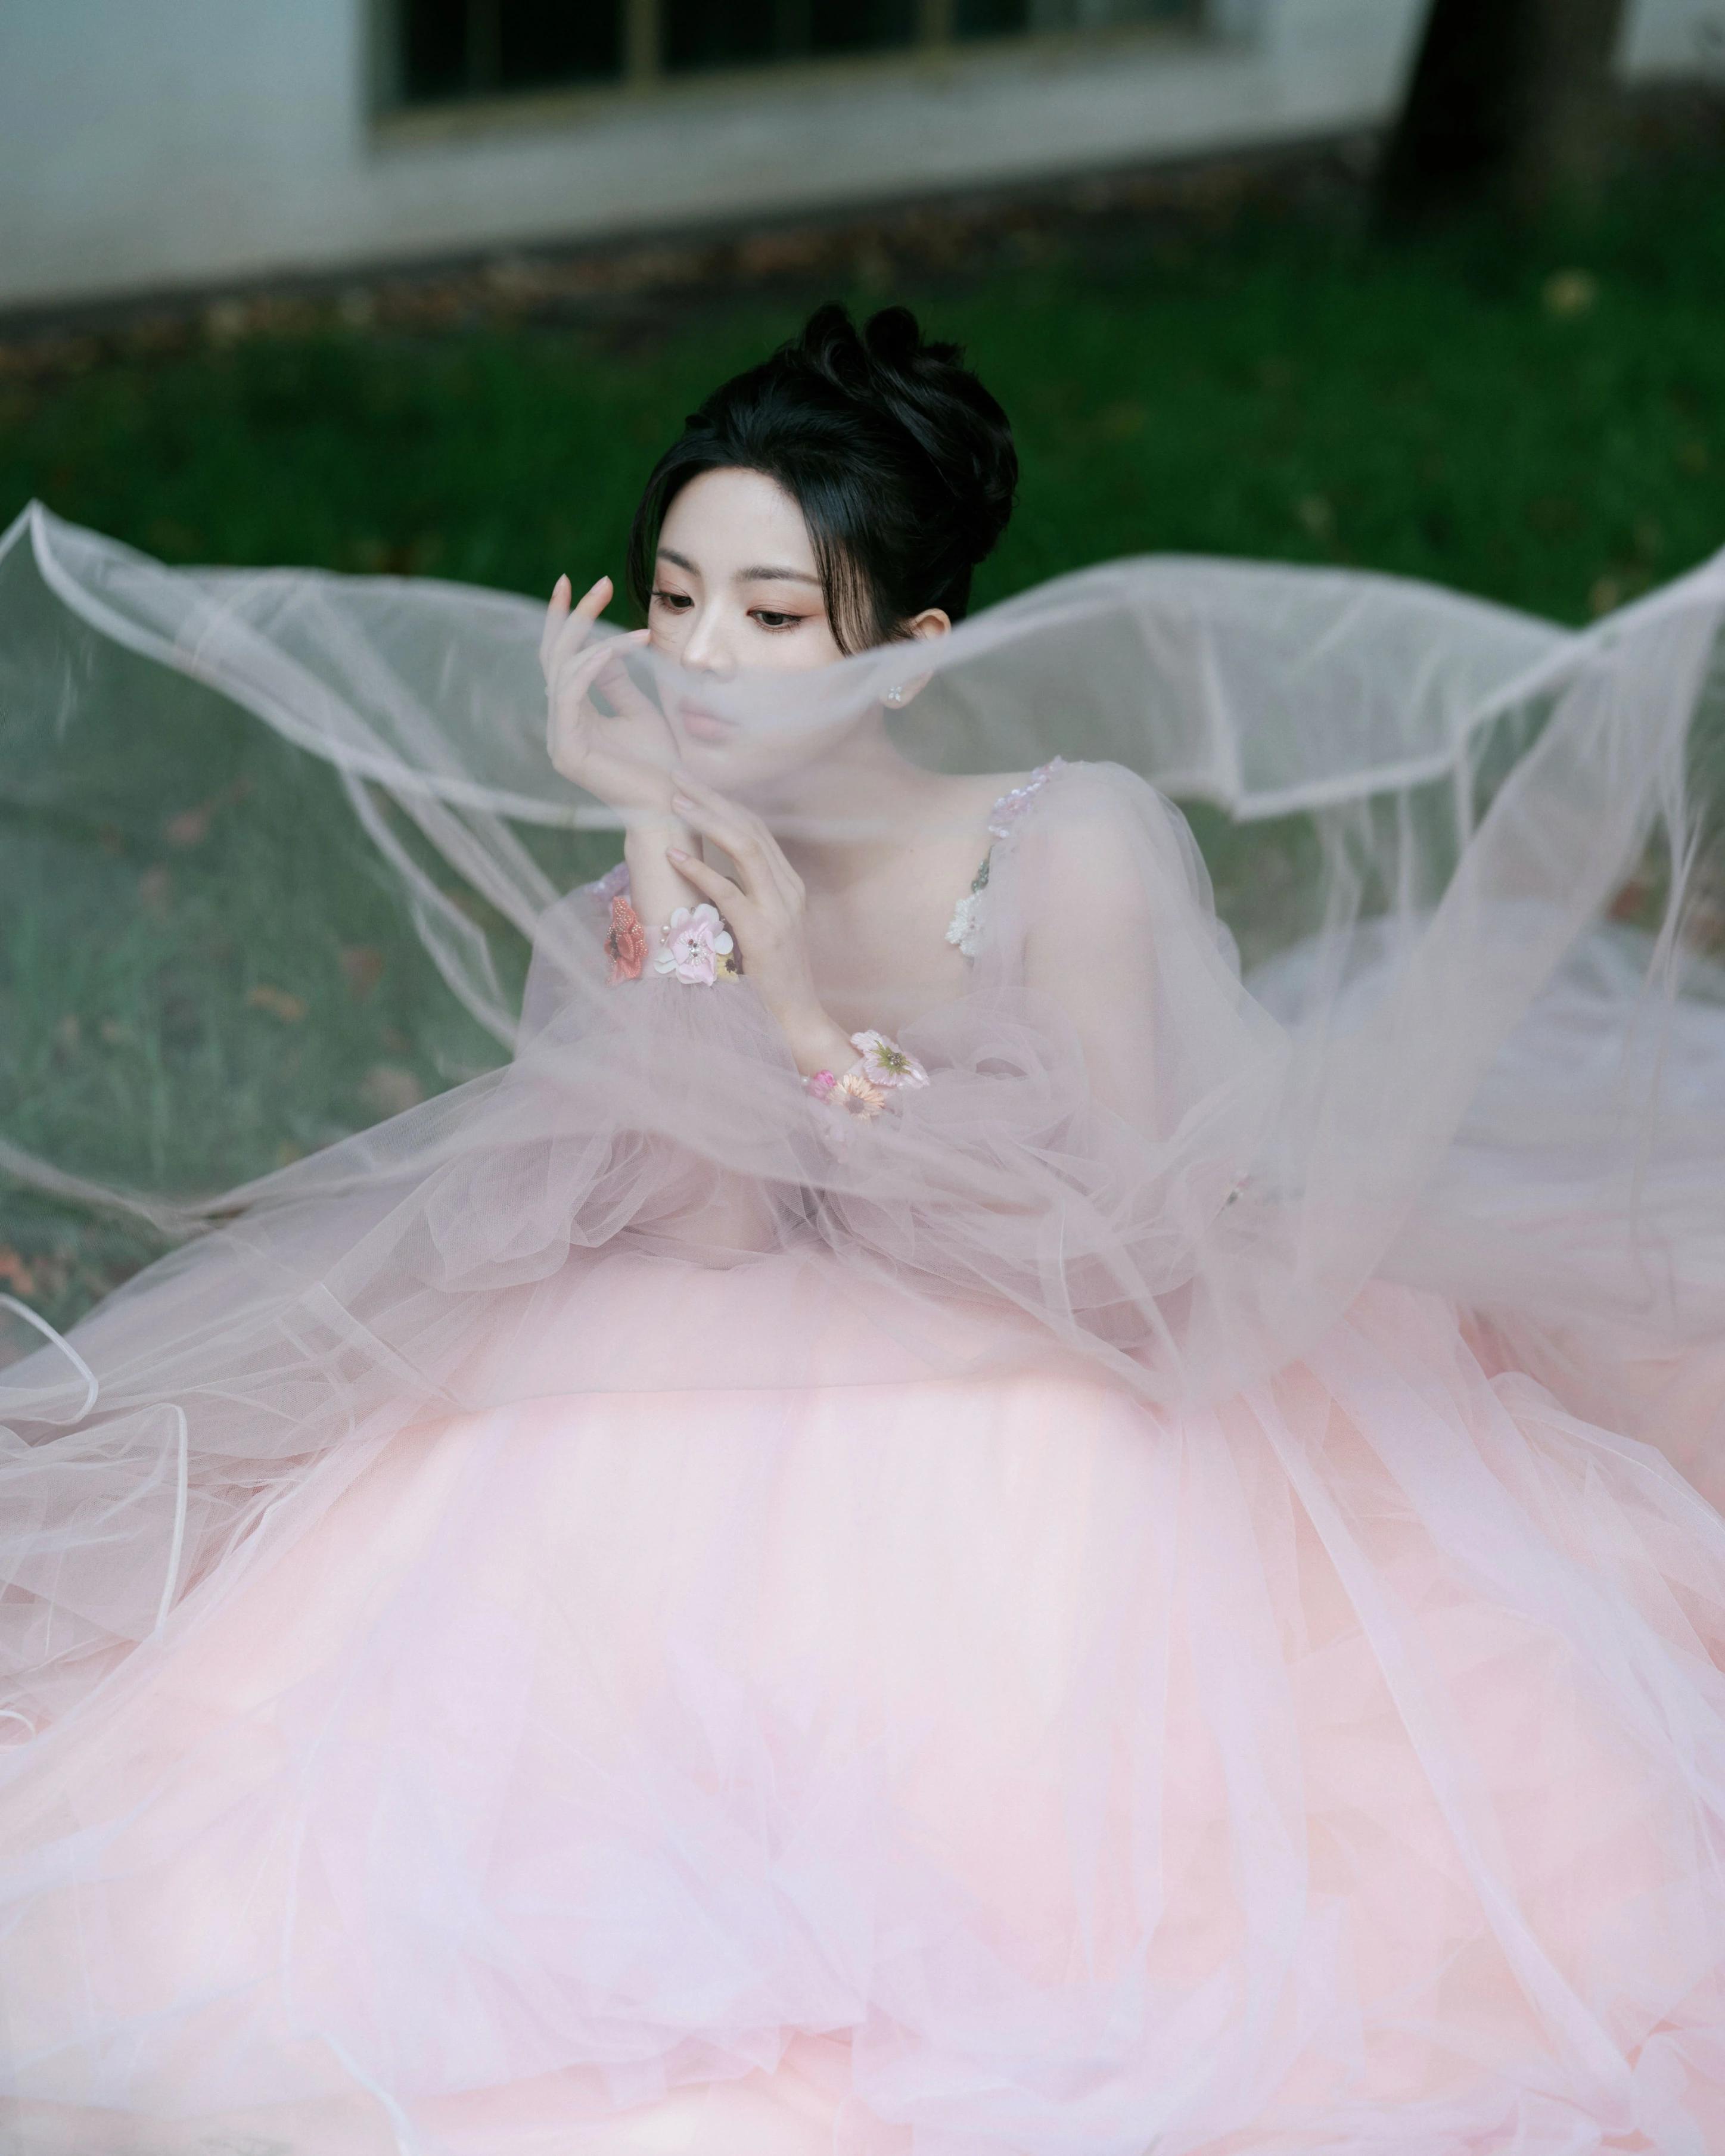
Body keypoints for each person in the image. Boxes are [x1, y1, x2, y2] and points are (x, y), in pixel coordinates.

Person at [2, 303, 1724, 2155]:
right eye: (671, 602)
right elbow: (715, 1231)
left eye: (768, 615)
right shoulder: (643, 887)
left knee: (1022, 1475)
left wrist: (816, 1030)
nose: (703, 661)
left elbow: (1135, 1269)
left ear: (906, 660)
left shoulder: (1067, 848)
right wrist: (670, 884)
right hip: (775, 1338)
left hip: (1091, 1377)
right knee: (591, 1431)